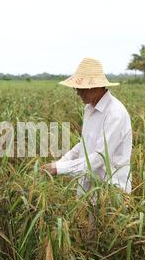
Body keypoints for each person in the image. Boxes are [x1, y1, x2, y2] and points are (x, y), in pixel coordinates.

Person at [40, 57, 132, 197]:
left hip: (110, 192)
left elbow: (99, 158)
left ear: (97, 86)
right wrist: (60, 162)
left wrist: (60, 168)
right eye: (76, 88)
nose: (78, 92)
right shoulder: (89, 109)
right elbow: (84, 144)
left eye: (82, 88)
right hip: (89, 187)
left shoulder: (115, 114)